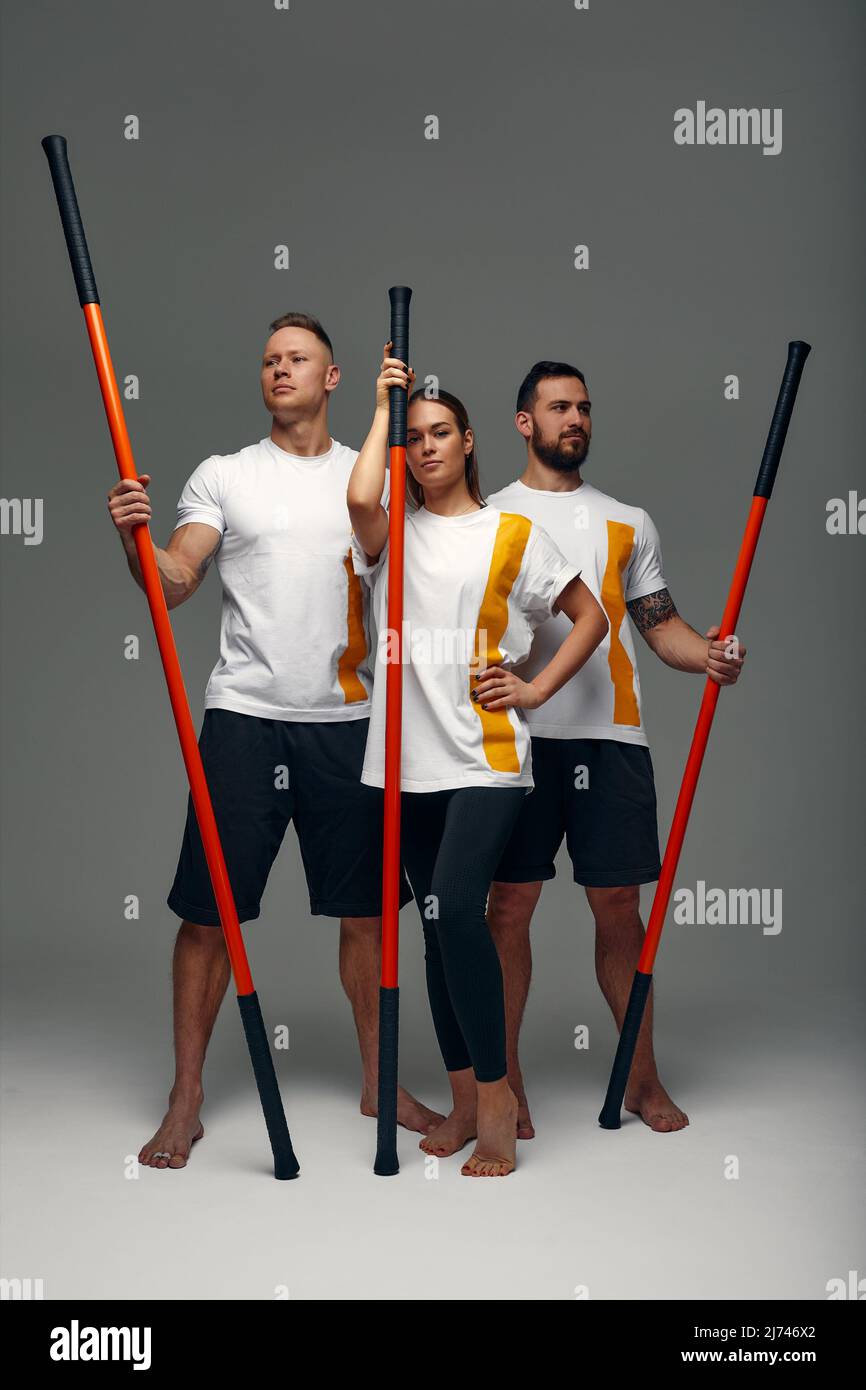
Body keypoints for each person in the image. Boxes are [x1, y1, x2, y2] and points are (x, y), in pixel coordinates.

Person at [106, 312, 442, 1170]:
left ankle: (379, 1079)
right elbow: (175, 580)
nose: (279, 369)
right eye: (269, 359)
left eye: (298, 359)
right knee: (206, 917)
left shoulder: (370, 477)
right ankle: (186, 1098)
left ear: (333, 381)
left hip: (348, 723)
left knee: (368, 916)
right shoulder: (224, 476)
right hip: (246, 722)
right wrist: (135, 542)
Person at [347, 350, 608, 1175]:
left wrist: (531, 689)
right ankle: (463, 1097)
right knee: (432, 930)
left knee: (459, 909)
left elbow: (590, 616)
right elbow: (358, 493)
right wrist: (384, 403)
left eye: (439, 433)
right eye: (412, 437)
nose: (424, 448)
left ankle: (496, 1094)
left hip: (487, 759)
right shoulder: (390, 532)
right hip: (404, 764)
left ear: (469, 442)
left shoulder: (512, 533)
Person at [487, 361, 746, 1138]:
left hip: (611, 740)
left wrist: (711, 655)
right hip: (517, 739)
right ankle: (507, 1084)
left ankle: (642, 1077)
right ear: (523, 423)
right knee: (508, 909)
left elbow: (659, 626)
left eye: (585, 408)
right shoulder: (490, 514)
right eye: (559, 407)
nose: (576, 419)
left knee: (621, 911)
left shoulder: (629, 520)